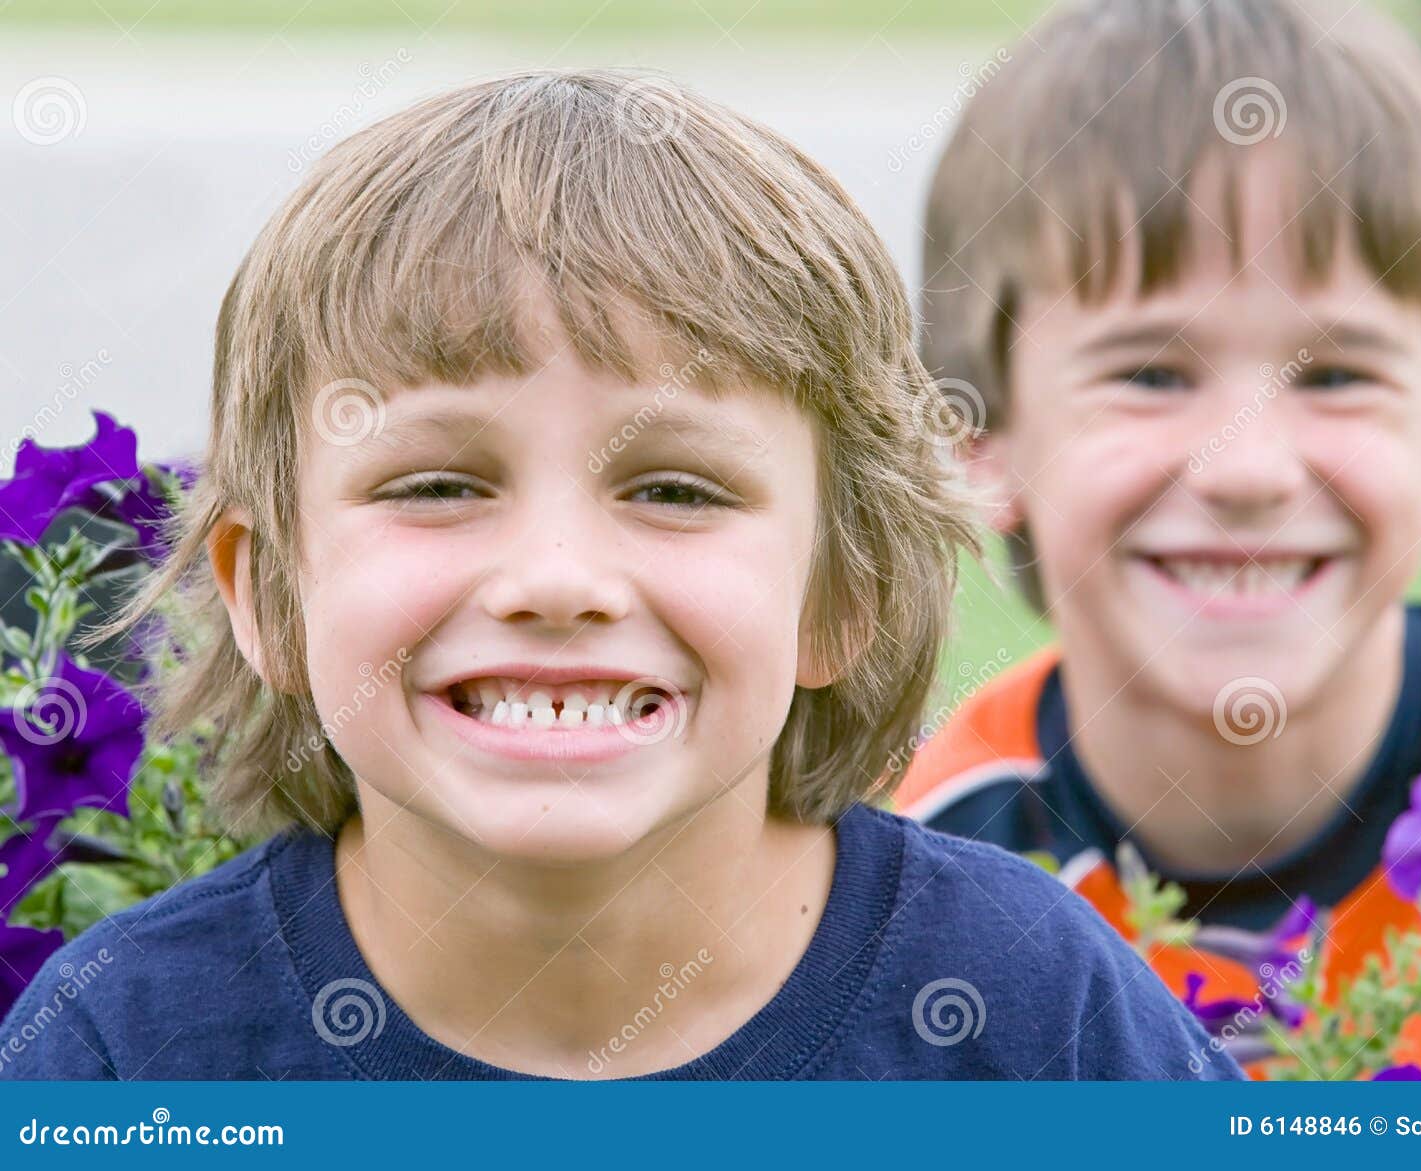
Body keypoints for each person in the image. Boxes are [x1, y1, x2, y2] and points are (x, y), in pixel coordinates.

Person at [0, 70, 1238, 1082]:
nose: (555, 579)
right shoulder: (135, 1050)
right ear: (269, 595)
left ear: (839, 592)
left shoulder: (1028, 1006)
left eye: (675, 491)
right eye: (437, 485)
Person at [902, 0, 1421, 1079]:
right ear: (982, 441)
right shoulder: (908, 883)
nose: (1246, 470)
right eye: (1148, 374)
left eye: (1334, 376)